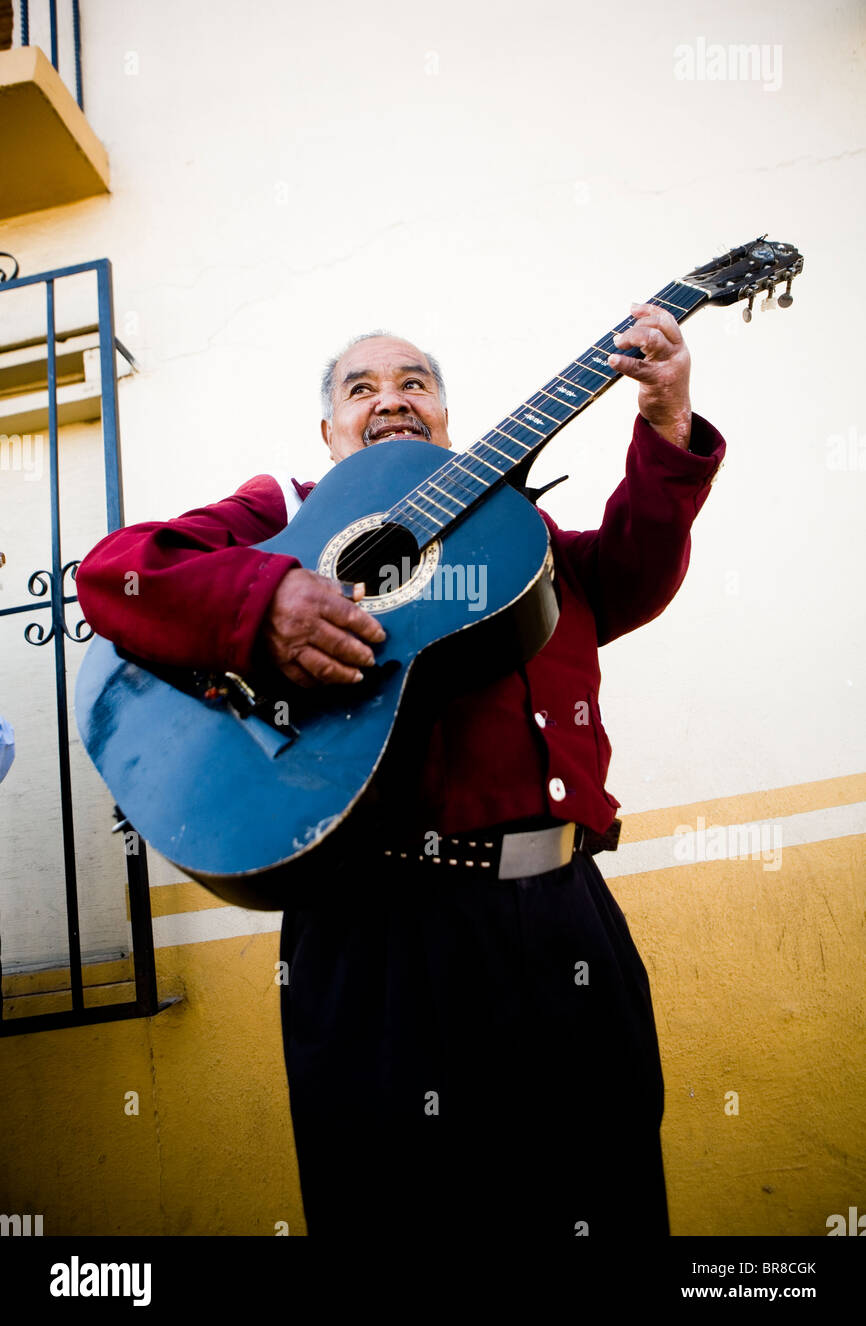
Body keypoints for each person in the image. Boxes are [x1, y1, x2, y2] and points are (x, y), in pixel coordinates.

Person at [76, 306, 725, 1239]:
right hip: (376, 928)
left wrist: (665, 425)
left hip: (567, 917)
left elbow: (629, 575)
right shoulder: (287, 515)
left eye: (415, 383)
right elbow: (117, 572)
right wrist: (264, 601)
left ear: (448, 422)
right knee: (402, 1210)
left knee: (608, 1189)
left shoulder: (515, 539)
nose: (392, 400)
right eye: (362, 388)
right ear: (331, 432)